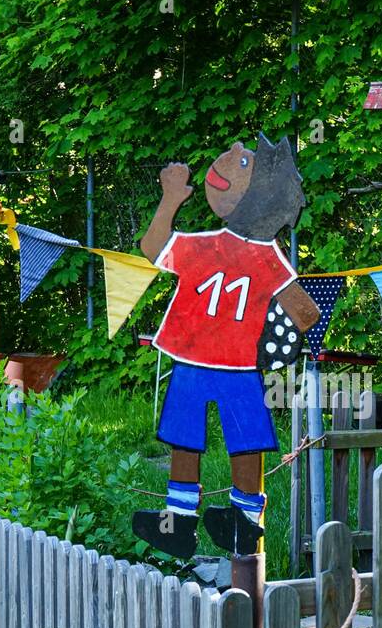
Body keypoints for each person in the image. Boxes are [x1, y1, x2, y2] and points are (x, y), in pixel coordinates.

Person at [132, 134, 318, 558]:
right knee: (240, 438)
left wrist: (172, 198)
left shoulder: (205, 247)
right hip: (228, 366)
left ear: (258, 193)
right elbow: (306, 313)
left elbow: (151, 247)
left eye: (245, 161)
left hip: (203, 363)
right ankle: (236, 521)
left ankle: (185, 521)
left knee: (195, 439)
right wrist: (277, 340)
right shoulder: (268, 260)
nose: (234, 152)